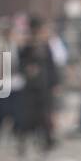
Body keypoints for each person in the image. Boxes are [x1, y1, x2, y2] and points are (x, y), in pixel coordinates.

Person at [16, 15, 57, 153]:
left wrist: (54, 83)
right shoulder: (26, 45)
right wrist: (28, 70)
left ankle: (46, 142)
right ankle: (23, 141)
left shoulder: (45, 45)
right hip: (31, 87)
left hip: (43, 86)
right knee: (28, 116)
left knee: (44, 116)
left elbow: (51, 66)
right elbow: (20, 64)